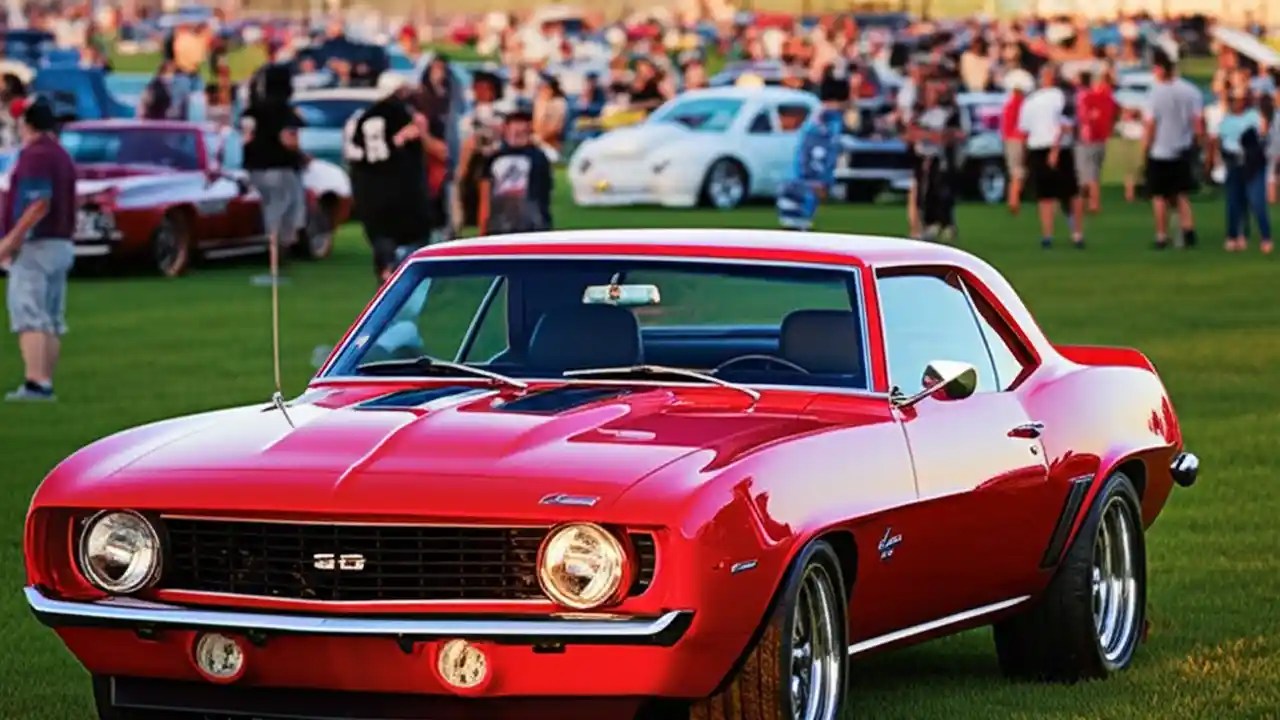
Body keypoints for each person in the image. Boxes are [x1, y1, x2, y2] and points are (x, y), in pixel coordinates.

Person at [0, 100, 77, 401]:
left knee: (29, 313)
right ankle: (44, 381)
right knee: (51, 317)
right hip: (61, 242)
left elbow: (37, 204)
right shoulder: (61, 155)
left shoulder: (36, 156)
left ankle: (36, 383)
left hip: (37, 244)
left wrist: (10, 242)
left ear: (26, 123)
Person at [345, 73, 435, 283]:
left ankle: (386, 272)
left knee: (383, 240)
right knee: (412, 244)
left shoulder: (362, 118)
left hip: (373, 192)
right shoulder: (400, 114)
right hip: (402, 192)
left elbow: (357, 155)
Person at [240, 63, 307, 275]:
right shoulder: (285, 111)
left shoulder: (251, 110)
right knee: (283, 212)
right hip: (281, 166)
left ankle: (270, 252)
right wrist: (303, 156)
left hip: (255, 168)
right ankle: (277, 256)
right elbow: (288, 139)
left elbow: (245, 138)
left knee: (269, 209)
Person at [1019, 63, 1085, 248]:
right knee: (1057, 194)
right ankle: (1065, 234)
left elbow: (1027, 131)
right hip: (1052, 147)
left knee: (1061, 194)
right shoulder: (1055, 97)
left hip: (1049, 147)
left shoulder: (1041, 99)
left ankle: (1065, 234)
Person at [1144, 52, 1203, 249]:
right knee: (1181, 194)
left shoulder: (1155, 93)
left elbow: (1151, 124)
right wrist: (1197, 144)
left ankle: (1161, 234)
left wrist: (1146, 147)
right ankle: (1188, 230)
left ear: (1160, 69)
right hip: (1183, 147)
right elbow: (1197, 123)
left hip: (1160, 150)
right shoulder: (1191, 91)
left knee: (1159, 195)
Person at [478, 103, 553, 235]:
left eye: (522, 124)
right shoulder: (493, 158)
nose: (518, 128)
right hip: (499, 226)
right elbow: (485, 196)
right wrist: (484, 227)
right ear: (506, 128)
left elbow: (544, 196)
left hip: (531, 228)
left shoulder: (539, 158)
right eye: (515, 123)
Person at [907, 78, 964, 241]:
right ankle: (927, 224)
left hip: (941, 158)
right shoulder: (919, 112)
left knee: (941, 191)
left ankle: (945, 223)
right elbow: (911, 133)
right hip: (922, 157)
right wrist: (930, 135)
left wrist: (930, 135)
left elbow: (949, 135)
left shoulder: (948, 112)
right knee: (923, 192)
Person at [1217, 86, 1272, 253]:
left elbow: (1263, 133)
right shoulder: (1225, 121)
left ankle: (1265, 237)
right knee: (1234, 202)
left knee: (1256, 201)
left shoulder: (1253, 117)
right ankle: (1235, 235)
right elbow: (1221, 141)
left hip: (1252, 163)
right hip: (1234, 162)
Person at [1075, 70, 1117, 213]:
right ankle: (1089, 201)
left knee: (1088, 172)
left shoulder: (1088, 97)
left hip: (1089, 138)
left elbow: (1083, 117)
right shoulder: (1110, 99)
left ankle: (1093, 203)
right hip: (1102, 138)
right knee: (1094, 172)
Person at [1001, 69, 1033, 214]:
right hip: (1017, 140)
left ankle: (1013, 200)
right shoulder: (1019, 104)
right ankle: (1014, 201)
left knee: (1015, 172)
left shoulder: (1008, 104)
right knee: (1018, 172)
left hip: (1010, 140)